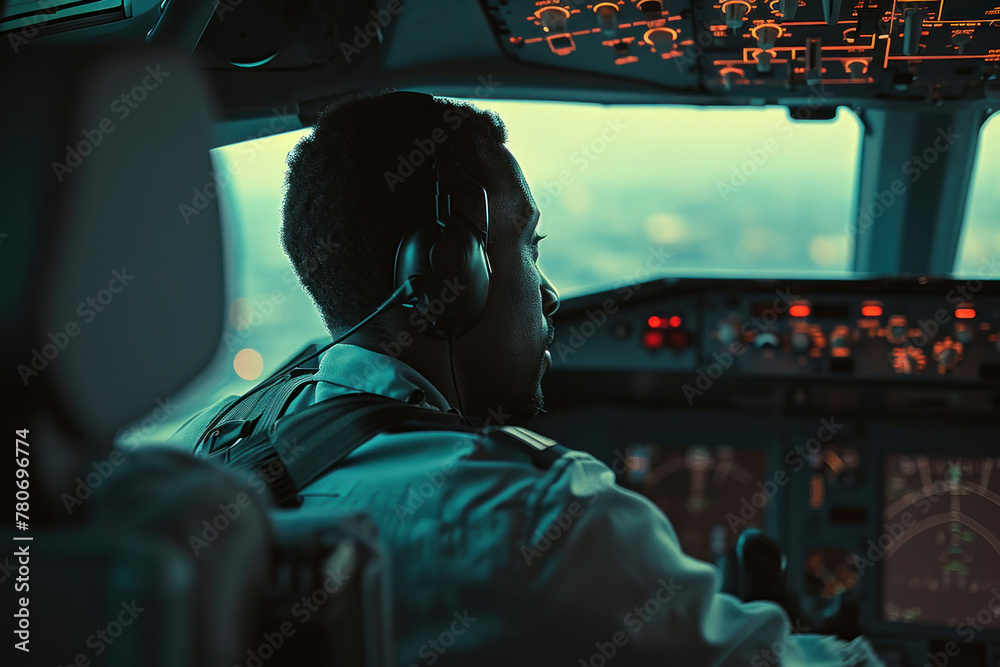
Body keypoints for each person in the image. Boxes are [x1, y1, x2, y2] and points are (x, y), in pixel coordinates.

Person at [180, 91, 883, 666]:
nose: (548, 294)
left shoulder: (202, 448)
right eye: (530, 246)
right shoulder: (538, 518)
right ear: (451, 273)